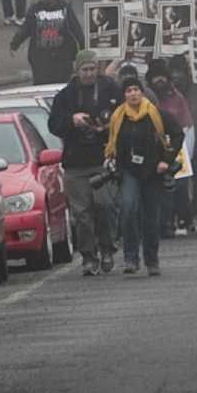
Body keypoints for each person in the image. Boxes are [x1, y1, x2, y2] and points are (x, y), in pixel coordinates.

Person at [49, 52, 122, 276]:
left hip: (102, 159)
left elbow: (124, 115)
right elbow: (53, 125)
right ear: (77, 70)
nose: (89, 74)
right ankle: (89, 256)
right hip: (75, 163)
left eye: (92, 69)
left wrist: (106, 127)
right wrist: (72, 121)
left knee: (105, 207)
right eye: (84, 70)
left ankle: (107, 248)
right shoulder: (65, 96)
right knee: (82, 214)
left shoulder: (111, 90)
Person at [106, 68, 181, 276]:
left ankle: (151, 260)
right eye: (128, 90)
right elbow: (111, 141)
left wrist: (166, 160)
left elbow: (177, 135)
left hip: (152, 171)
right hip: (129, 171)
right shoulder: (118, 117)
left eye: (136, 89)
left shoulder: (156, 114)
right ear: (124, 95)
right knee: (128, 209)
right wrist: (111, 159)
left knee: (151, 217)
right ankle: (131, 258)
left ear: (142, 92)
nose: (133, 94)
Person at [10, 0, 84, 85]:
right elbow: (25, 29)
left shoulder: (65, 8)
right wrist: (14, 45)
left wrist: (83, 48)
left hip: (62, 58)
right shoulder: (35, 10)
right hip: (41, 60)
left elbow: (76, 29)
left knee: (63, 87)